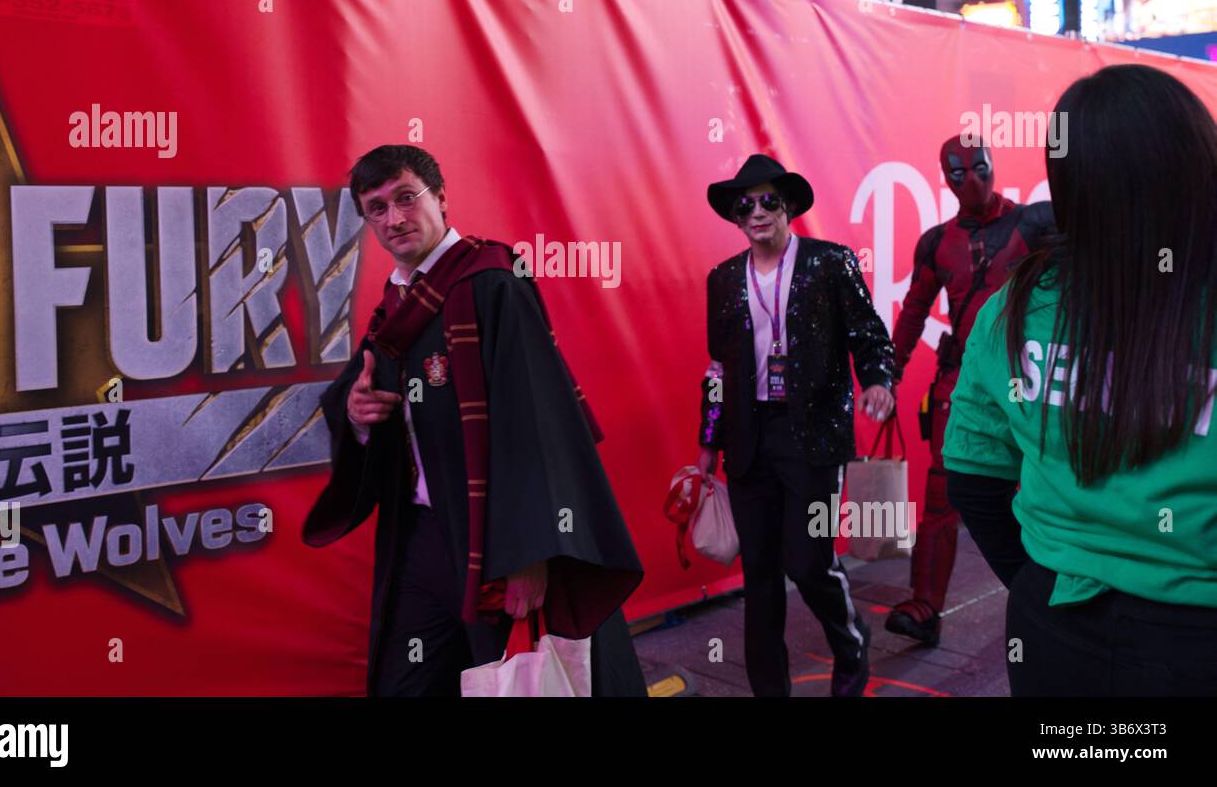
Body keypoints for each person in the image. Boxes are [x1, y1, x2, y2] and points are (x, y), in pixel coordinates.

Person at [303, 144, 646, 696]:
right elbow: (358, 392)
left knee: (519, 682)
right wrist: (357, 413)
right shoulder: (397, 301)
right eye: (377, 208)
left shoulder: (494, 284)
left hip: (496, 541)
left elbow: (539, 426)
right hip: (418, 538)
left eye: (405, 198)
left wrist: (532, 555)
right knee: (405, 683)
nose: (394, 218)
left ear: (440, 197)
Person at [943, 64, 1217, 696]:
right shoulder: (1013, 298)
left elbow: (976, 478)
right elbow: (974, 478)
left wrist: (1042, 582)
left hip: (1052, 629)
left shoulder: (1019, 302)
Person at [697, 153, 897, 697]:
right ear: (736, 218)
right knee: (759, 577)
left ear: (788, 206)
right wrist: (707, 444)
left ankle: (851, 643)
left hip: (811, 436)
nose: (757, 211)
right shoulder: (721, 280)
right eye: (745, 205)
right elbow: (717, 369)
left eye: (767, 200)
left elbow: (869, 335)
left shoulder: (829, 263)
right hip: (748, 439)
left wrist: (879, 380)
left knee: (809, 562)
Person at [885, 136, 1053, 646]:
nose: (972, 181)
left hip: (1035, 374)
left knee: (1054, 480)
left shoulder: (1036, 223)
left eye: (979, 168)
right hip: (966, 381)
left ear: (994, 165)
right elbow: (913, 310)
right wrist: (887, 374)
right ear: (945, 177)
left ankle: (1060, 595)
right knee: (946, 490)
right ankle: (925, 606)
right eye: (958, 174)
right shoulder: (938, 243)